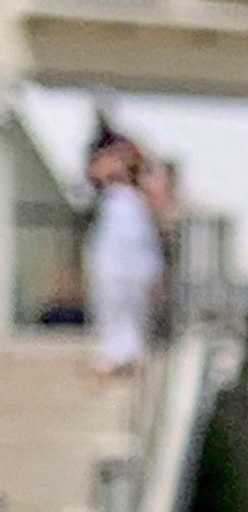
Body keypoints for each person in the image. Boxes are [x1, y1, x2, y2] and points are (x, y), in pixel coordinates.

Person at [84, 135, 163, 379]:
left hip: (134, 260)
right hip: (112, 260)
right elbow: (93, 172)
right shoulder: (110, 196)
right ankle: (114, 353)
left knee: (133, 307)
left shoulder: (136, 196)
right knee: (111, 306)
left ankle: (129, 353)